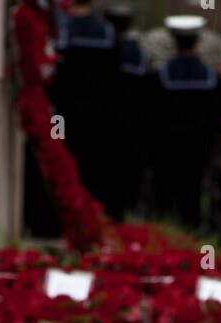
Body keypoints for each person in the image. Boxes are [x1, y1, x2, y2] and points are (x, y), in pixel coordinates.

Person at [150, 16, 220, 230]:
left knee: (163, 201)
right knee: (192, 200)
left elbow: (152, 114)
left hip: (166, 148)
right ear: (198, 40)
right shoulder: (209, 76)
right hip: (197, 148)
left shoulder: (162, 74)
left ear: (173, 40)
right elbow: (215, 115)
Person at [53, 2, 116, 207]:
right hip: (96, 111)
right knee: (92, 165)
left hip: (65, 110)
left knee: (66, 160)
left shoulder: (64, 28)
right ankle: (91, 211)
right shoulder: (105, 31)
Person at [104, 5, 150, 221]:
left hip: (105, 124)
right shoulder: (138, 55)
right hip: (132, 127)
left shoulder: (104, 50)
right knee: (126, 180)